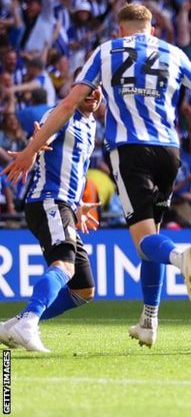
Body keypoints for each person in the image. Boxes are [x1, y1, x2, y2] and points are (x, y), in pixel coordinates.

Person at [1, 4, 191, 348]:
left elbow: (66, 105)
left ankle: (180, 255)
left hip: (130, 150)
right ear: (151, 30)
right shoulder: (174, 53)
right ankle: (149, 320)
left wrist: (27, 150)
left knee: (146, 240)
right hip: (170, 153)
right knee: (150, 236)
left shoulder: (107, 51)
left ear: (120, 30)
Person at [0, 86, 103, 352]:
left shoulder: (90, 125)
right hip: (48, 200)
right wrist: (33, 149)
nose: (93, 95)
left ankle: (19, 322)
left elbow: (77, 169)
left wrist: (78, 205)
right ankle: (29, 321)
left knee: (83, 290)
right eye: (88, 90)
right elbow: (42, 136)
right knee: (65, 266)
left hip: (65, 204)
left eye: (98, 91)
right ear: (75, 91)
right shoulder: (61, 114)